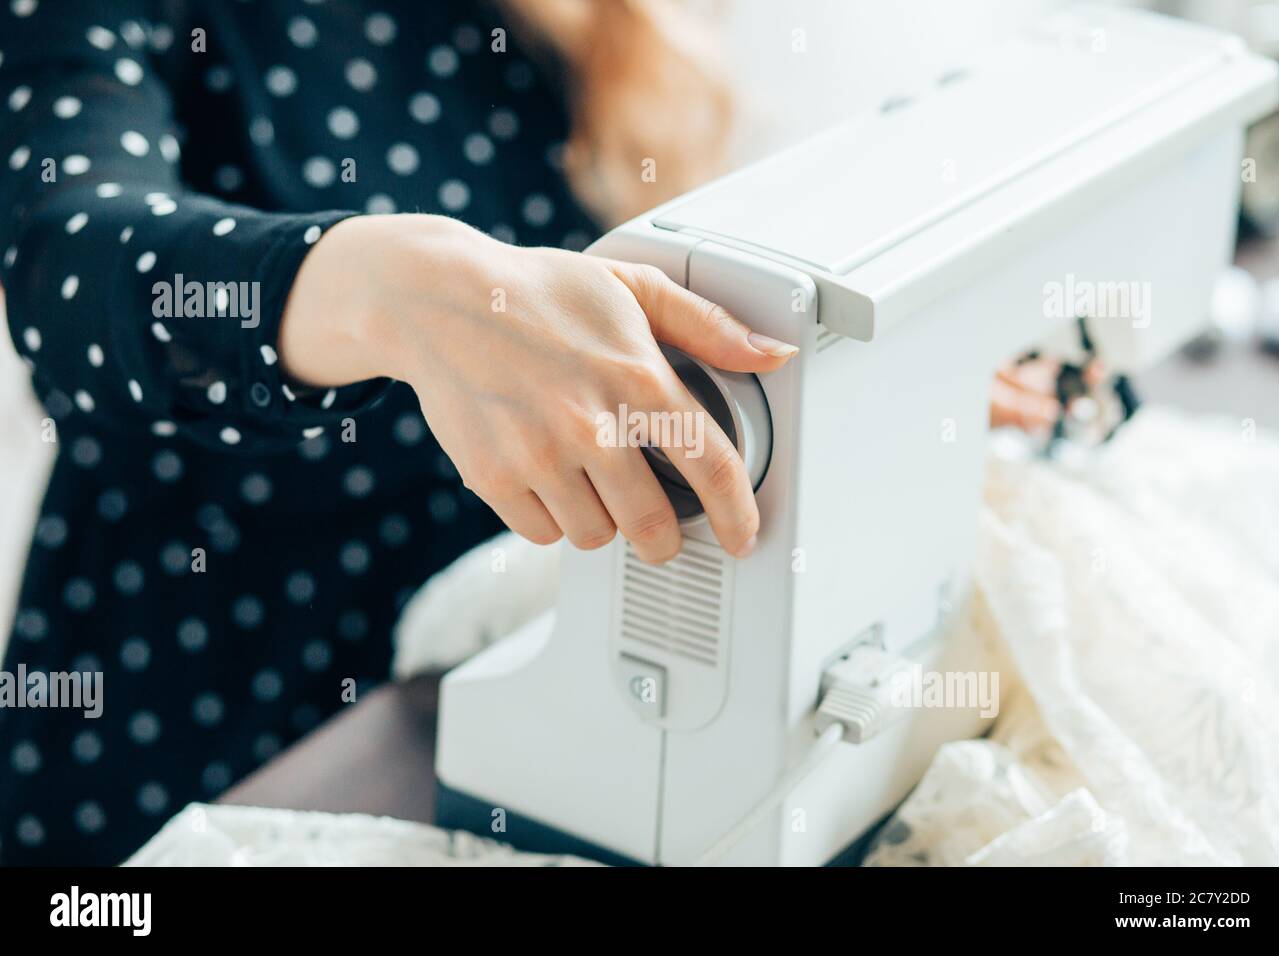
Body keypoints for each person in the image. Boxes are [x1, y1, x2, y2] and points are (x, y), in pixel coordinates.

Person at [0, 0, 1059, 865]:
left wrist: (870, 372)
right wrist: (391, 289)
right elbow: (68, 266)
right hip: (203, 703)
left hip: (519, 672)